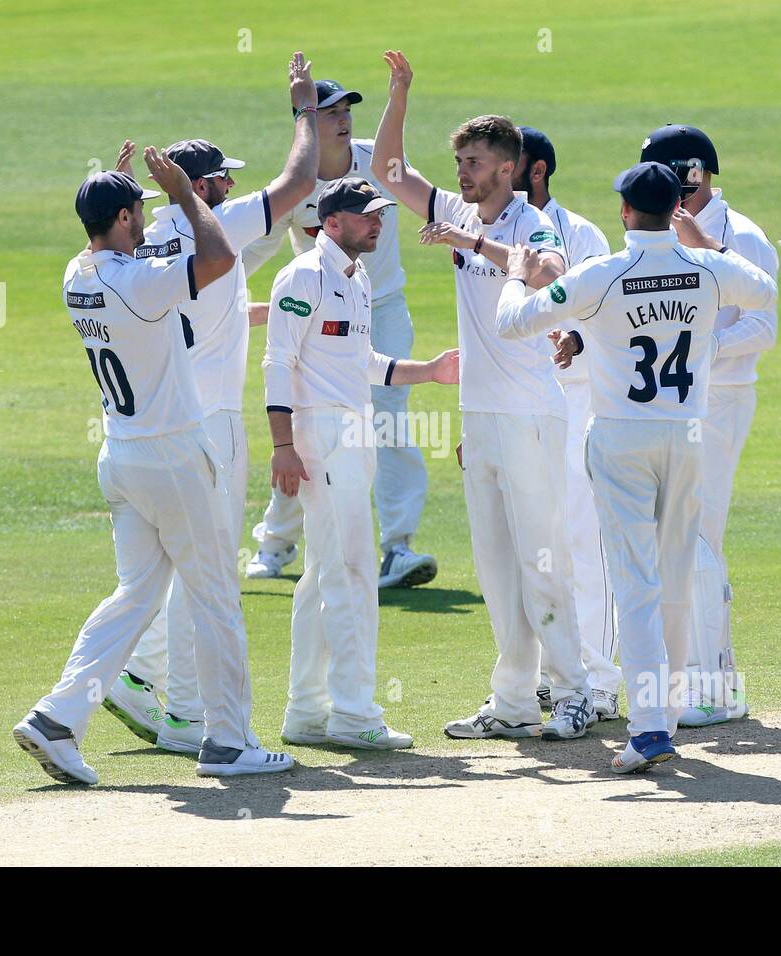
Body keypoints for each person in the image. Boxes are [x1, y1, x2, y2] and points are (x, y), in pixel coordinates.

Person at [13, 152, 293, 781]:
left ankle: (58, 718)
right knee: (217, 596)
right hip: (172, 456)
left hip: (121, 458)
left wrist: (135, 205)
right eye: (139, 209)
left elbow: (130, 260)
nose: (149, 216)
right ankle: (227, 740)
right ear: (121, 216)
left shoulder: (77, 273)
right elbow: (219, 258)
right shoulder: (142, 282)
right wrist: (187, 198)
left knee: (136, 594)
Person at [495, 161, 777, 771]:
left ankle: (649, 728)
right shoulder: (706, 267)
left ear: (625, 212)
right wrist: (700, 240)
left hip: (622, 438)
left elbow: (513, 324)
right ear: (675, 208)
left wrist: (517, 277)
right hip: (688, 434)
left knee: (636, 588)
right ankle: (665, 717)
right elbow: (765, 289)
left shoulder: (603, 273)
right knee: (674, 578)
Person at [100, 53, 321, 752]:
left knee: (168, 567)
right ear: (200, 185)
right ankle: (187, 717)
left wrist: (118, 190)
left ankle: (140, 677)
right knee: (211, 575)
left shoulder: (137, 245)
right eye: (223, 176)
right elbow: (303, 180)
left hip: (155, 425)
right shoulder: (219, 226)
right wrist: (304, 110)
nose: (232, 184)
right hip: (213, 425)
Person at [371, 50, 593, 741]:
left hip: (531, 414)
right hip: (484, 414)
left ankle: (575, 692)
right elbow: (389, 173)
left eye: (473, 163)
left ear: (507, 167)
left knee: (543, 556)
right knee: (497, 566)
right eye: (459, 161)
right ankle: (514, 702)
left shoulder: (530, 223)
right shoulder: (452, 207)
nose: (461, 173)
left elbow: (549, 273)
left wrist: (472, 240)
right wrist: (400, 93)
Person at [264, 178, 459, 748]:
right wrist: (282, 445)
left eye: (380, 213)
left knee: (325, 573)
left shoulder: (357, 276)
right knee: (350, 571)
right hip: (319, 434)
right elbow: (279, 362)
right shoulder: (303, 276)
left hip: (351, 430)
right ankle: (353, 713)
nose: (378, 222)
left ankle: (306, 711)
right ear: (333, 223)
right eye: (366, 214)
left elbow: (361, 360)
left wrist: (427, 370)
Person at [242, 78, 438, 590]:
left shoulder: (377, 162)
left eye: (347, 108)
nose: (343, 117)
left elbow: (424, 194)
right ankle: (276, 542)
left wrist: (398, 95)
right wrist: (200, 299)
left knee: (388, 418)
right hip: (317, 318)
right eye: (329, 111)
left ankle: (397, 548)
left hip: (384, 307)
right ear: (306, 120)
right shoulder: (294, 185)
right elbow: (244, 256)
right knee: (307, 427)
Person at [639, 125, 779, 727]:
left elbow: (763, 327)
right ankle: (694, 681)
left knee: (698, 537)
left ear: (691, 176)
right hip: (672, 404)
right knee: (673, 537)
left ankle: (717, 688)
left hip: (719, 399)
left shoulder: (740, 236)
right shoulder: (661, 235)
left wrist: (699, 349)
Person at [513, 125, 622, 721]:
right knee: (532, 547)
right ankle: (546, 681)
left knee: (582, 540)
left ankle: (601, 683)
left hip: (578, 404)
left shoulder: (580, 234)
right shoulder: (491, 236)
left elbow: (605, 316)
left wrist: (575, 341)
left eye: (512, 164)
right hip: (517, 409)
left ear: (537, 171)